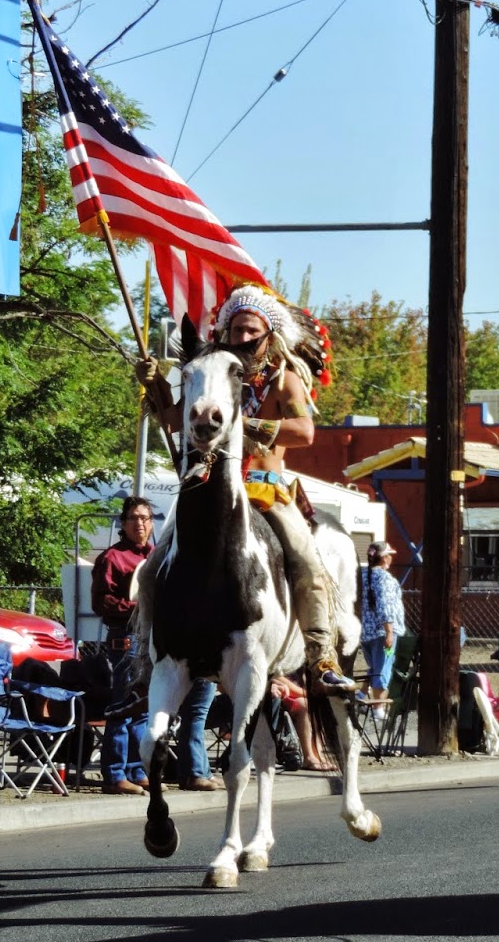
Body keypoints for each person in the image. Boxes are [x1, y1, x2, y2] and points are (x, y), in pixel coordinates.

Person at [138, 284, 354, 696]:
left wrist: (243, 425)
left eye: (250, 331)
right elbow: (172, 419)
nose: (241, 339)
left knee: (307, 563)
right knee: (152, 569)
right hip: (208, 485)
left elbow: (305, 431)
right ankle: (142, 663)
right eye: (234, 330)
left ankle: (320, 654)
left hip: (264, 491)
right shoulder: (209, 376)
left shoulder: (285, 380)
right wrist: (157, 388)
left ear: (268, 336)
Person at [89, 497, 165, 794]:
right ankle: (114, 774)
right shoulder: (112, 558)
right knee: (122, 706)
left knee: (143, 707)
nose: (140, 523)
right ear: (123, 523)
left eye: (145, 518)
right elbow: (101, 602)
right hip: (126, 637)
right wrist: (138, 607)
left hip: (152, 639)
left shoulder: (157, 554)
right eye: (133, 518)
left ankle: (135, 769)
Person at [356, 541, 404, 704]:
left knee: (375, 667)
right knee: (383, 670)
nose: (391, 558)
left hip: (365, 632)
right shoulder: (385, 578)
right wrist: (389, 631)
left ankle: (362, 695)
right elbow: (385, 605)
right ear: (384, 558)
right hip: (384, 633)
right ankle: (378, 708)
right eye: (389, 555)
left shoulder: (361, 575)